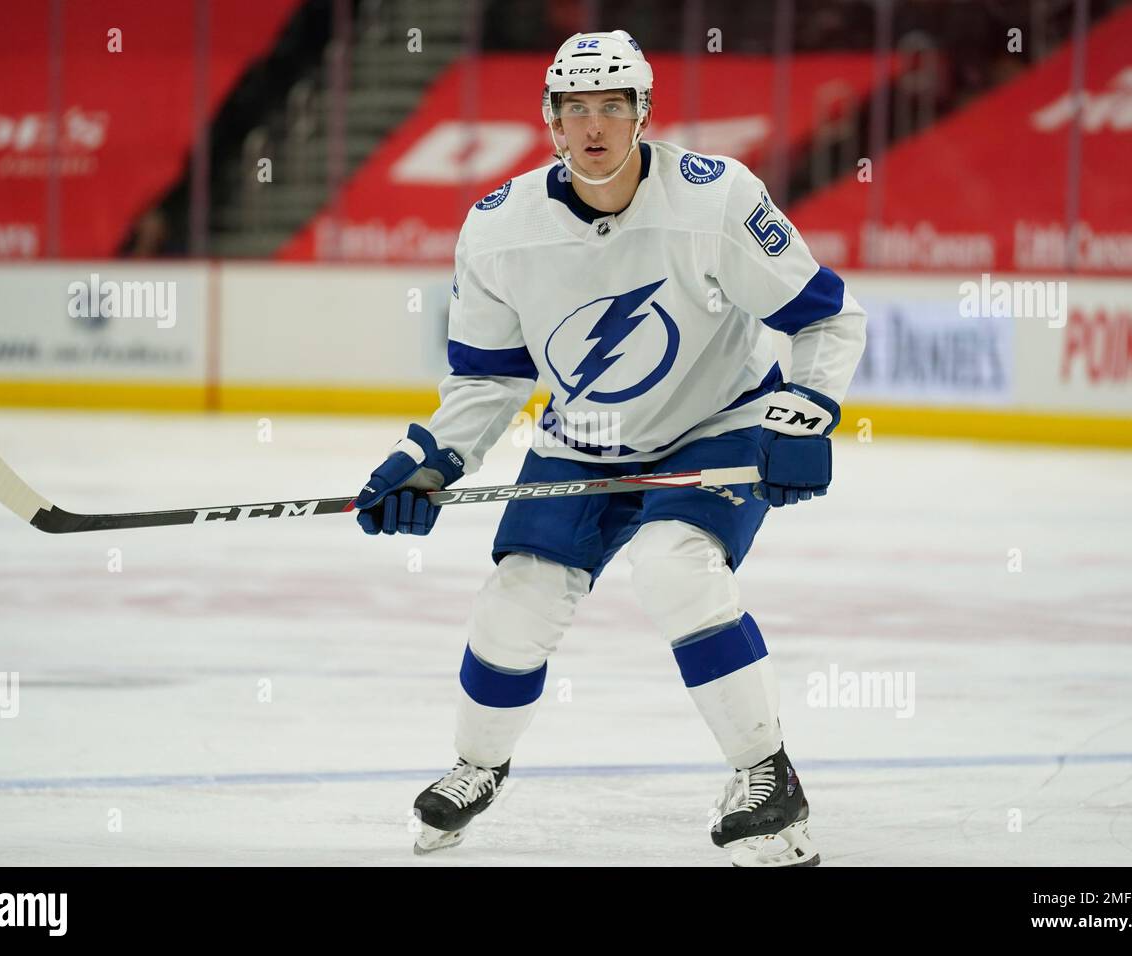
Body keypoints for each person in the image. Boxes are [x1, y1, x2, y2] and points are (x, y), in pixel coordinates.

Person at [352, 30, 866, 867]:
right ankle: (477, 766)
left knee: (673, 563)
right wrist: (429, 460)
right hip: (584, 436)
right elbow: (486, 380)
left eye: (612, 107)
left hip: (716, 422)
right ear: (551, 122)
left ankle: (767, 777)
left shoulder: (716, 199)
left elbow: (827, 316)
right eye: (575, 109)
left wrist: (805, 412)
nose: (594, 126)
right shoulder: (498, 228)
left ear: (644, 116)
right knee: (516, 597)